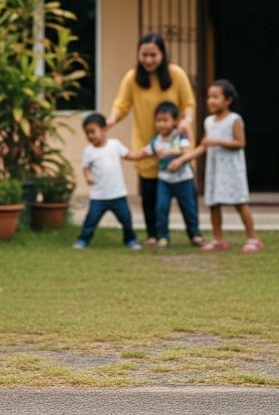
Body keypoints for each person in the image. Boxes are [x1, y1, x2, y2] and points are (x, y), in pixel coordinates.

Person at [107, 33, 197, 246]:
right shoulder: (132, 78)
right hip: (147, 144)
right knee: (150, 195)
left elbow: (189, 103)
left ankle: (194, 233)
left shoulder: (176, 74)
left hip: (175, 145)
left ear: (163, 54)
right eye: (144, 55)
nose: (148, 60)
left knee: (186, 194)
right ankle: (154, 234)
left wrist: (187, 121)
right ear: (138, 55)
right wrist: (110, 121)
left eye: (153, 55)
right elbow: (122, 104)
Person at [171, 80, 263, 254]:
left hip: (232, 171)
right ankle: (218, 239)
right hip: (214, 171)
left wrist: (217, 142)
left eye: (215, 97)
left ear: (227, 100)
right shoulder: (208, 122)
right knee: (214, 204)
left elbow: (240, 143)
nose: (211, 101)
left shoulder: (235, 119)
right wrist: (182, 160)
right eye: (209, 97)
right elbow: (203, 146)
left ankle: (253, 239)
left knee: (240, 203)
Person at [130, 101, 202, 248]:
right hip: (164, 181)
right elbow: (144, 152)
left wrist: (170, 152)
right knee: (161, 208)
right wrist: (126, 155)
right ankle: (163, 236)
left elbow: (186, 151)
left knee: (189, 208)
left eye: (165, 120)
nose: (161, 124)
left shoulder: (179, 137)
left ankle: (194, 234)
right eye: (158, 120)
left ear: (175, 121)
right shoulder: (156, 141)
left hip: (183, 180)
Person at [75, 113, 143, 250]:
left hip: (118, 194)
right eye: (87, 133)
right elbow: (85, 167)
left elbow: (129, 155)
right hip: (99, 196)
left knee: (126, 219)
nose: (90, 136)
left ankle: (130, 239)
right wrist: (87, 176)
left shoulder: (115, 145)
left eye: (93, 132)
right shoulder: (88, 151)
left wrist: (145, 153)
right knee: (91, 220)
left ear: (105, 130)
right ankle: (83, 240)